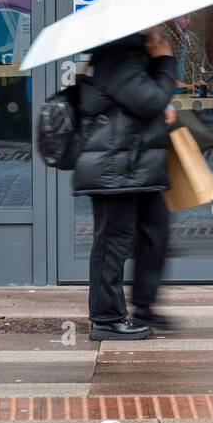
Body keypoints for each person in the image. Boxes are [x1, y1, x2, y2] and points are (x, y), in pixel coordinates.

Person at [72, 25, 177, 340]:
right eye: (159, 22)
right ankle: (106, 318)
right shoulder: (118, 54)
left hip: (134, 163)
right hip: (113, 166)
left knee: (154, 232)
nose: (163, 27)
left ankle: (144, 306)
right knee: (113, 242)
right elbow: (149, 100)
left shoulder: (131, 52)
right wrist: (164, 61)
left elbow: (143, 102)